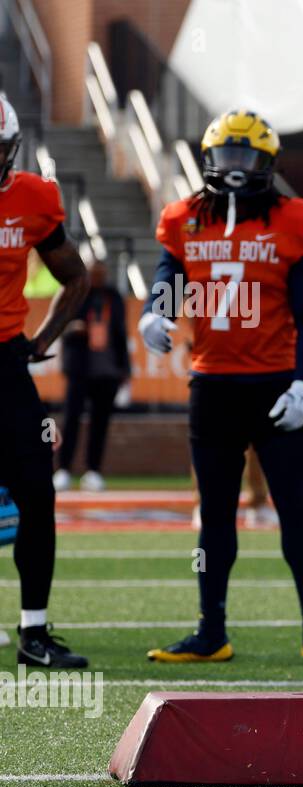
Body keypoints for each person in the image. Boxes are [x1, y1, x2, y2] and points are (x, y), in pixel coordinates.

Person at [140, 109, 303, 665]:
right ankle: (211, 631)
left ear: (267, 163)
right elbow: (169, 274)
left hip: (276, 384)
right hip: (212, 384)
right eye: (226, 157)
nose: (235, 169)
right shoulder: (185, 217)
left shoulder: (296, 219)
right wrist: (155, 313)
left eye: (246, 157)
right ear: (209, 160)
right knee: (215, 515)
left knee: (294, 510)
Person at [0, 94, 92, 667]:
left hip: (5, 363)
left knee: (37, 490)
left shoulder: (32, 196)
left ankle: (33, 630)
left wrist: (44, 339)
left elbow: (75, 276)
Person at [53, 260, 129, 493]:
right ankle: (63, 469)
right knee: (72, 419)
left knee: (100, 423)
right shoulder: (76, 292)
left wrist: (125, 370)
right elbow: (58, 324)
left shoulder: (113, 297)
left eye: (102, 269)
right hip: (80, 368)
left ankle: (93, 470)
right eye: (94, 269)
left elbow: (121, 334)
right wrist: (73, 328)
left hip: (106, 370)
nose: (99, 273)